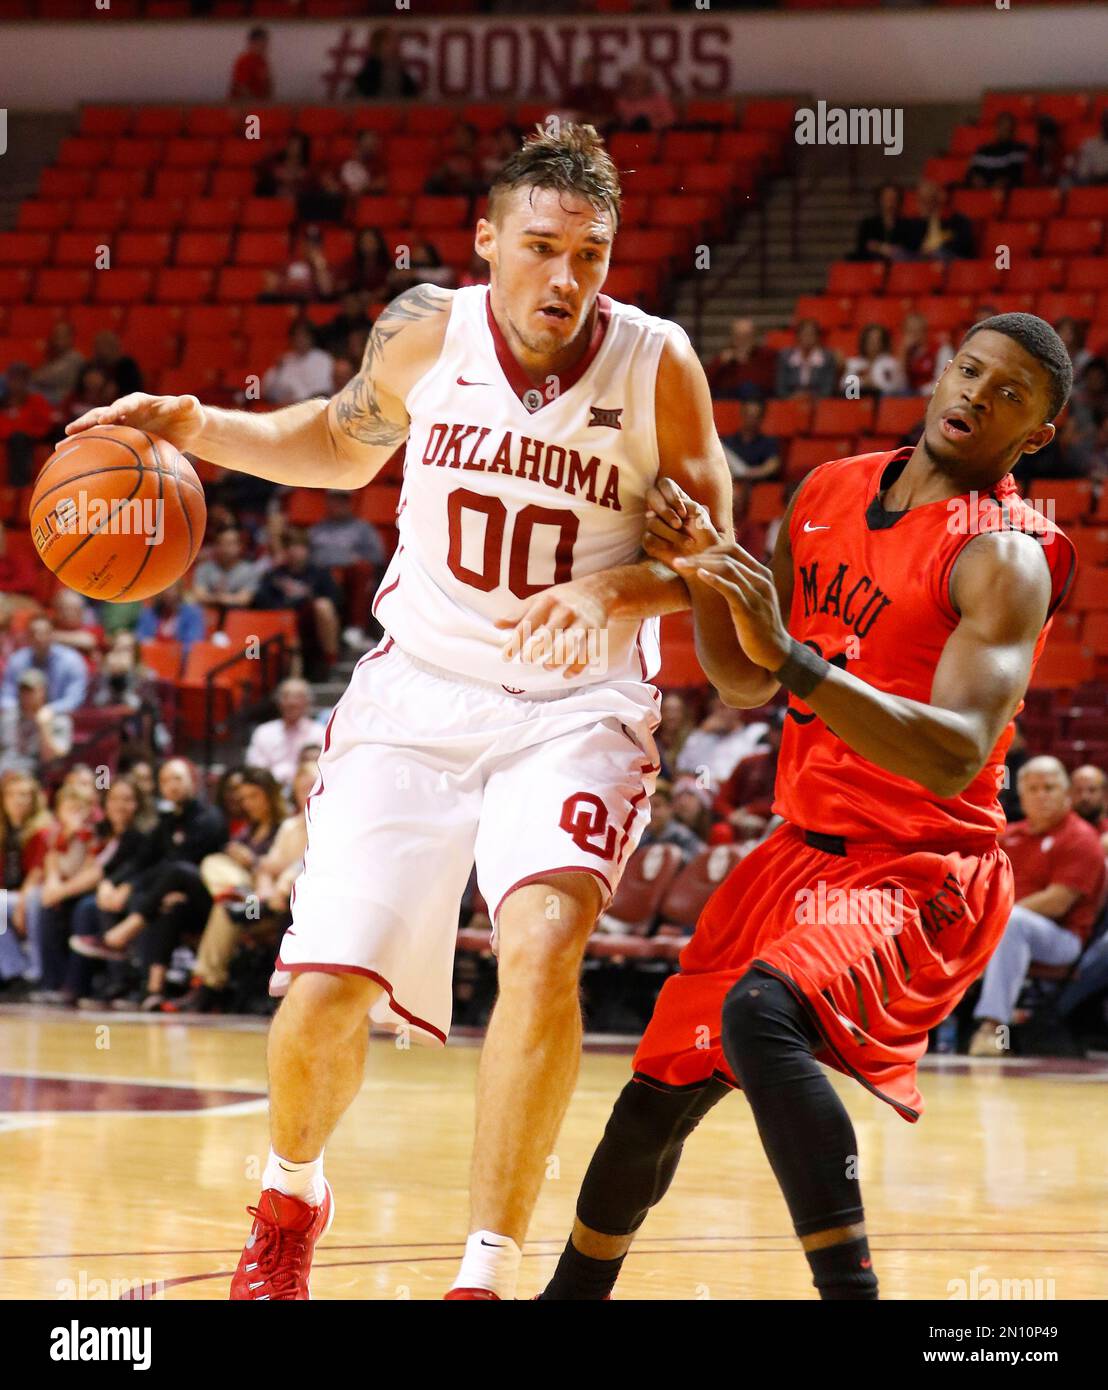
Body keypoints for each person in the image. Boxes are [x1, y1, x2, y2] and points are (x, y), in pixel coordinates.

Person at [65, 120, 735, 1303]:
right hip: (417, 691)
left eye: (591, 253)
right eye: (541, 247)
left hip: (574, 704)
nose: (567, 277)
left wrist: (615, 585)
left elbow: (717, 558)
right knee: (324, 990)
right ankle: (289, 1200)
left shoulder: (655, 364)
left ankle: (484, 1271)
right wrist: (197, 427)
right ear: (486, 242)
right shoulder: (429, 330)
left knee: (540, 942)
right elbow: (336, 440)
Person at [537, 311, 1077, 1302]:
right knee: (656, 1094)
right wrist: (709, 575)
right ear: (941, 370)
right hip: (796, 854)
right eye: (970, 371)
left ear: (1034, 436)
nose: (975, 397)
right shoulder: (827, 492)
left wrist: (795, 656)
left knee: (759, 1011)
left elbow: (953, 754)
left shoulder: (1006, 556)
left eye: (1008, 396)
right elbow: (747, 680)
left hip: (921, 864)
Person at [968, 757, 1107, 1056]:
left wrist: (988, 924)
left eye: (1050, 787)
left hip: (1063, 939)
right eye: (1033, 788)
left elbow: (1057, 903)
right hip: (1003, 931)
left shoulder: (1081, 837)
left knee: (1014, 922)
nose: (1042, 795)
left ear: (1066, 792)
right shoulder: (1007, 835)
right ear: (1022, 795)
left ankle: (992, 1028)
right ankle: (894, 1023)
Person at [251, 526, 342, 680]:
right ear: (285, 550)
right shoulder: (275, 574)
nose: (295, 551)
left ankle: (330, 663)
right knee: (262, 626)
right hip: (282, 622)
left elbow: (336, 600)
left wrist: (307, 598)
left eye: (300, 546)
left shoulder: (319, 573)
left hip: (311, 623)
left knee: (323, 606)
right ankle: (286, 679)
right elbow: (260, 601)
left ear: (307, 550)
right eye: (291, 546)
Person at [244, 678, 323, 789]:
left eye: (298, 697)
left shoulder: (320, 732)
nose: (291, 702)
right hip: (271, 790)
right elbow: (255, 768)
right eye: (286, 696)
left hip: (308, 791)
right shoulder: (263, 732)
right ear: (278, 702)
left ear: (307, 702)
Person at [0, 616, 88, 714]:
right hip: (22, 715)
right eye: (33, 633)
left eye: (43, 633)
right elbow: (6, 697)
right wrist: (23, 710)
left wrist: (46, 711)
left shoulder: (71, 661)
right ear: (27, 636)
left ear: (52, 635)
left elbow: (74, 700)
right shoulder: (17, 660)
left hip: (59, 715)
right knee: (8, 717)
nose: (38, 638)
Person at [0, 669, 73, 779]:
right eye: (23, 690)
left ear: (43, 691)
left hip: (36, 774)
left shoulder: (58, 720)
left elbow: (50, 759)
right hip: (5, 769)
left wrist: (44, 726)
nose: (26, 695)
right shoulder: (8, 717)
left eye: (31, 690)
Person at [0, 363, 57, 486]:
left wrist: (24, 431)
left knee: (19, 439)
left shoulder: (37, 400)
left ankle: (21, 487)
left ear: (27, 382)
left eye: (20, 379)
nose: (16, 384)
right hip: (9, 440)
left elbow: (46, 425)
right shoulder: (2, 403)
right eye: (13, 379)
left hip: (31, 440)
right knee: (16, 438)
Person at [262, 320, 334, 405]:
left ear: (312, 337)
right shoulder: (284, 360)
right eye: (296, 335)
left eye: (304, 335)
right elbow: (267, 392)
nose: (300, 339)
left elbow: (325, 391)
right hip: (288, 409)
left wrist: (302, 401)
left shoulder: (324, 359)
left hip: (314, 408)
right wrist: (277, 369)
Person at [190, 526, 260, 613]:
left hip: (238, 618)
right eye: (222, 543)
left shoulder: (249, 570)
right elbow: (199, 595)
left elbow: (245, 599)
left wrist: (218, 598)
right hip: (207, 617)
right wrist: (223, 599)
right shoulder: (204, 568)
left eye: (230, 543)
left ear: (239, 546)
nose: (226, 548)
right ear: (216, 545)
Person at [706, 318, 777, 401]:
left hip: (756, 400)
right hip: (729, 399)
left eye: (746, 336)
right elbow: (705, 383)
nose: (742, 340)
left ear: (754, 337)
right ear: (732, 337)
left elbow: (768, 383)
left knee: (749, 389)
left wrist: (745, 362)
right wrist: (720, 363)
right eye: (738, 336)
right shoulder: (723, 358)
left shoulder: (766, 355)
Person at [904, 179, 975, 261]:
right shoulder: (918, 222)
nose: (922, 205)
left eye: (927, 200)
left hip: (950, 260)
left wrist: (938, 247)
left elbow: (964, 245)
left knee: (938, 253)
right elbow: (912, 246)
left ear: (939, 198)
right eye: (921, 200)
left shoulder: (958, 220)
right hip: (924, 259)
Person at [638, 779, 705, 860]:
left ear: (670, 808)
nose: (651, 813)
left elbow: (702, 861)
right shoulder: (641, 840)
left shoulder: (683, 837)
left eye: (657, 806)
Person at [134, 580, 207, 653]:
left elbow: (193, 645)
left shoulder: (193, 614)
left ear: (179, 591)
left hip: (181, 662)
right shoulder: (149, 614)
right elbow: (140, 638)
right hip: (151, 660)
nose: (168, 593)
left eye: (172, 588)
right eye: (165, 589)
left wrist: (168, 650)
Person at [720, 399, 781, 483]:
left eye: (755, 416)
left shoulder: (768, 443)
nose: (750, 420)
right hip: (733, 484)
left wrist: (751, 473)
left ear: (761, 418)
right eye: (748, 415)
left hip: (757, 485)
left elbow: (773, 464)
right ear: (742, 414)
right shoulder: (728, 441)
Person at [851, 182, 914, 263]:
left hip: (900, 267)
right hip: (872, 265)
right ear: (879, 200)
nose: (890, 203)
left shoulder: (907, 225)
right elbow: (864, 247)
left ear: (899, 201)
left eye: (893, 199)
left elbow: (908, 249)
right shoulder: (868, 224)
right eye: (886, 198)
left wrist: (880, 247)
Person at [775, 319, 839, 399]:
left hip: (818, 403)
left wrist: (809, 397)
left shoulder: (828, 358)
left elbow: (828, 390)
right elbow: (781, 388)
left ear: (817, 337)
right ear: (798, 336)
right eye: (805, 334)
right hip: (790, 402)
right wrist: (793, 397)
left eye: (811, 334)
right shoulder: (785, 357)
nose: (808, 338)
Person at [351, 26, 418, 100]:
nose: (397, 45)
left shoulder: (403, 75)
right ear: (378, 46)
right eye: (390, 41)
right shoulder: (367, 76)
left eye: (397, 41)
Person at [842, 324, 907, 398]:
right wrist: (862, 382)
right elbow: (846, 389)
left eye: (877, 340)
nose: (873, 343)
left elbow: (898, 386)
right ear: (864, 341)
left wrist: (874, 384)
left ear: (883, 342)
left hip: (884, 403)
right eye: (870, 339)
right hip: (857, 403)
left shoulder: (891, 364)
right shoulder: (853, 363)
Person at [967, 112, 1029, 190]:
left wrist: (1005, 182)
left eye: (1009, 128)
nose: (1005, 130)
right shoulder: (982, 150)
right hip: (981, 193)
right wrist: (975, 179)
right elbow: (972, 172)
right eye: (1002, 126)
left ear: (1013, 130)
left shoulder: (1020, 149)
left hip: (1007, 193)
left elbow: (1017, 174)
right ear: (997, 128)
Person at [30, 322, 85, 406]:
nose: (58, 339)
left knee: (25, 390)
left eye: (62, 335)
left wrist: (36, 376)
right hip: (46, 392)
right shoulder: (53, 357)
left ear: (71, 337)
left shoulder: (75, 357)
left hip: (60, 397)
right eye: (56, 335)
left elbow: (48, 378)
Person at [229, 26, 272, 101]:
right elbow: (241, 87)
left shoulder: (263, 62)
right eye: (261, 42)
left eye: (265, 42)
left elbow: (268, 85)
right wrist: (256, 103)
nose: (264, 46)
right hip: (244, 106)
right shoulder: (244, 61)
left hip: (260, 105)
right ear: (252, 42)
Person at [1069, 763, 1108, 844]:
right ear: (1069, 794)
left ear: (1105, 795)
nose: (1084, 797)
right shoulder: (1058, 834)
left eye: (1092, 790)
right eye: (1078, 790)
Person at [1073, 110, 1108, 186]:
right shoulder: (1089, 146)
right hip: (1096, 190)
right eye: (1106, 122)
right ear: (1102, 124)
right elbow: (1083, 175)